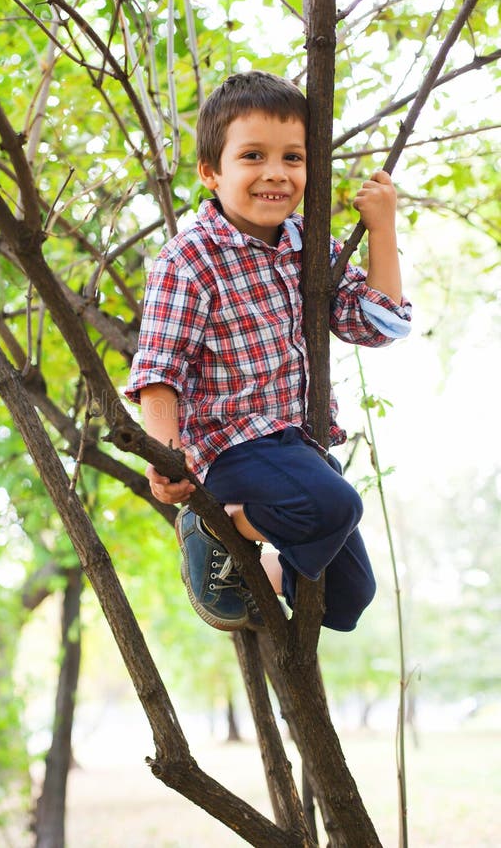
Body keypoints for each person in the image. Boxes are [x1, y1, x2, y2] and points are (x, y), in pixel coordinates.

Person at [125, 71, 411, 633]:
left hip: (295, 446)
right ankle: (219, 526)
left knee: (349, 597)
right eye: (253, 156)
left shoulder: (308, 245)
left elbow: (376, 324)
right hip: (232, 446)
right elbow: (160, 371)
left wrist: (382, 229)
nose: (276, 173)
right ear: (212, 171)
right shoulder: (189, 260)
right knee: (335, 506)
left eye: (293, 158)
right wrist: (165, 456)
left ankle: (249, 560)